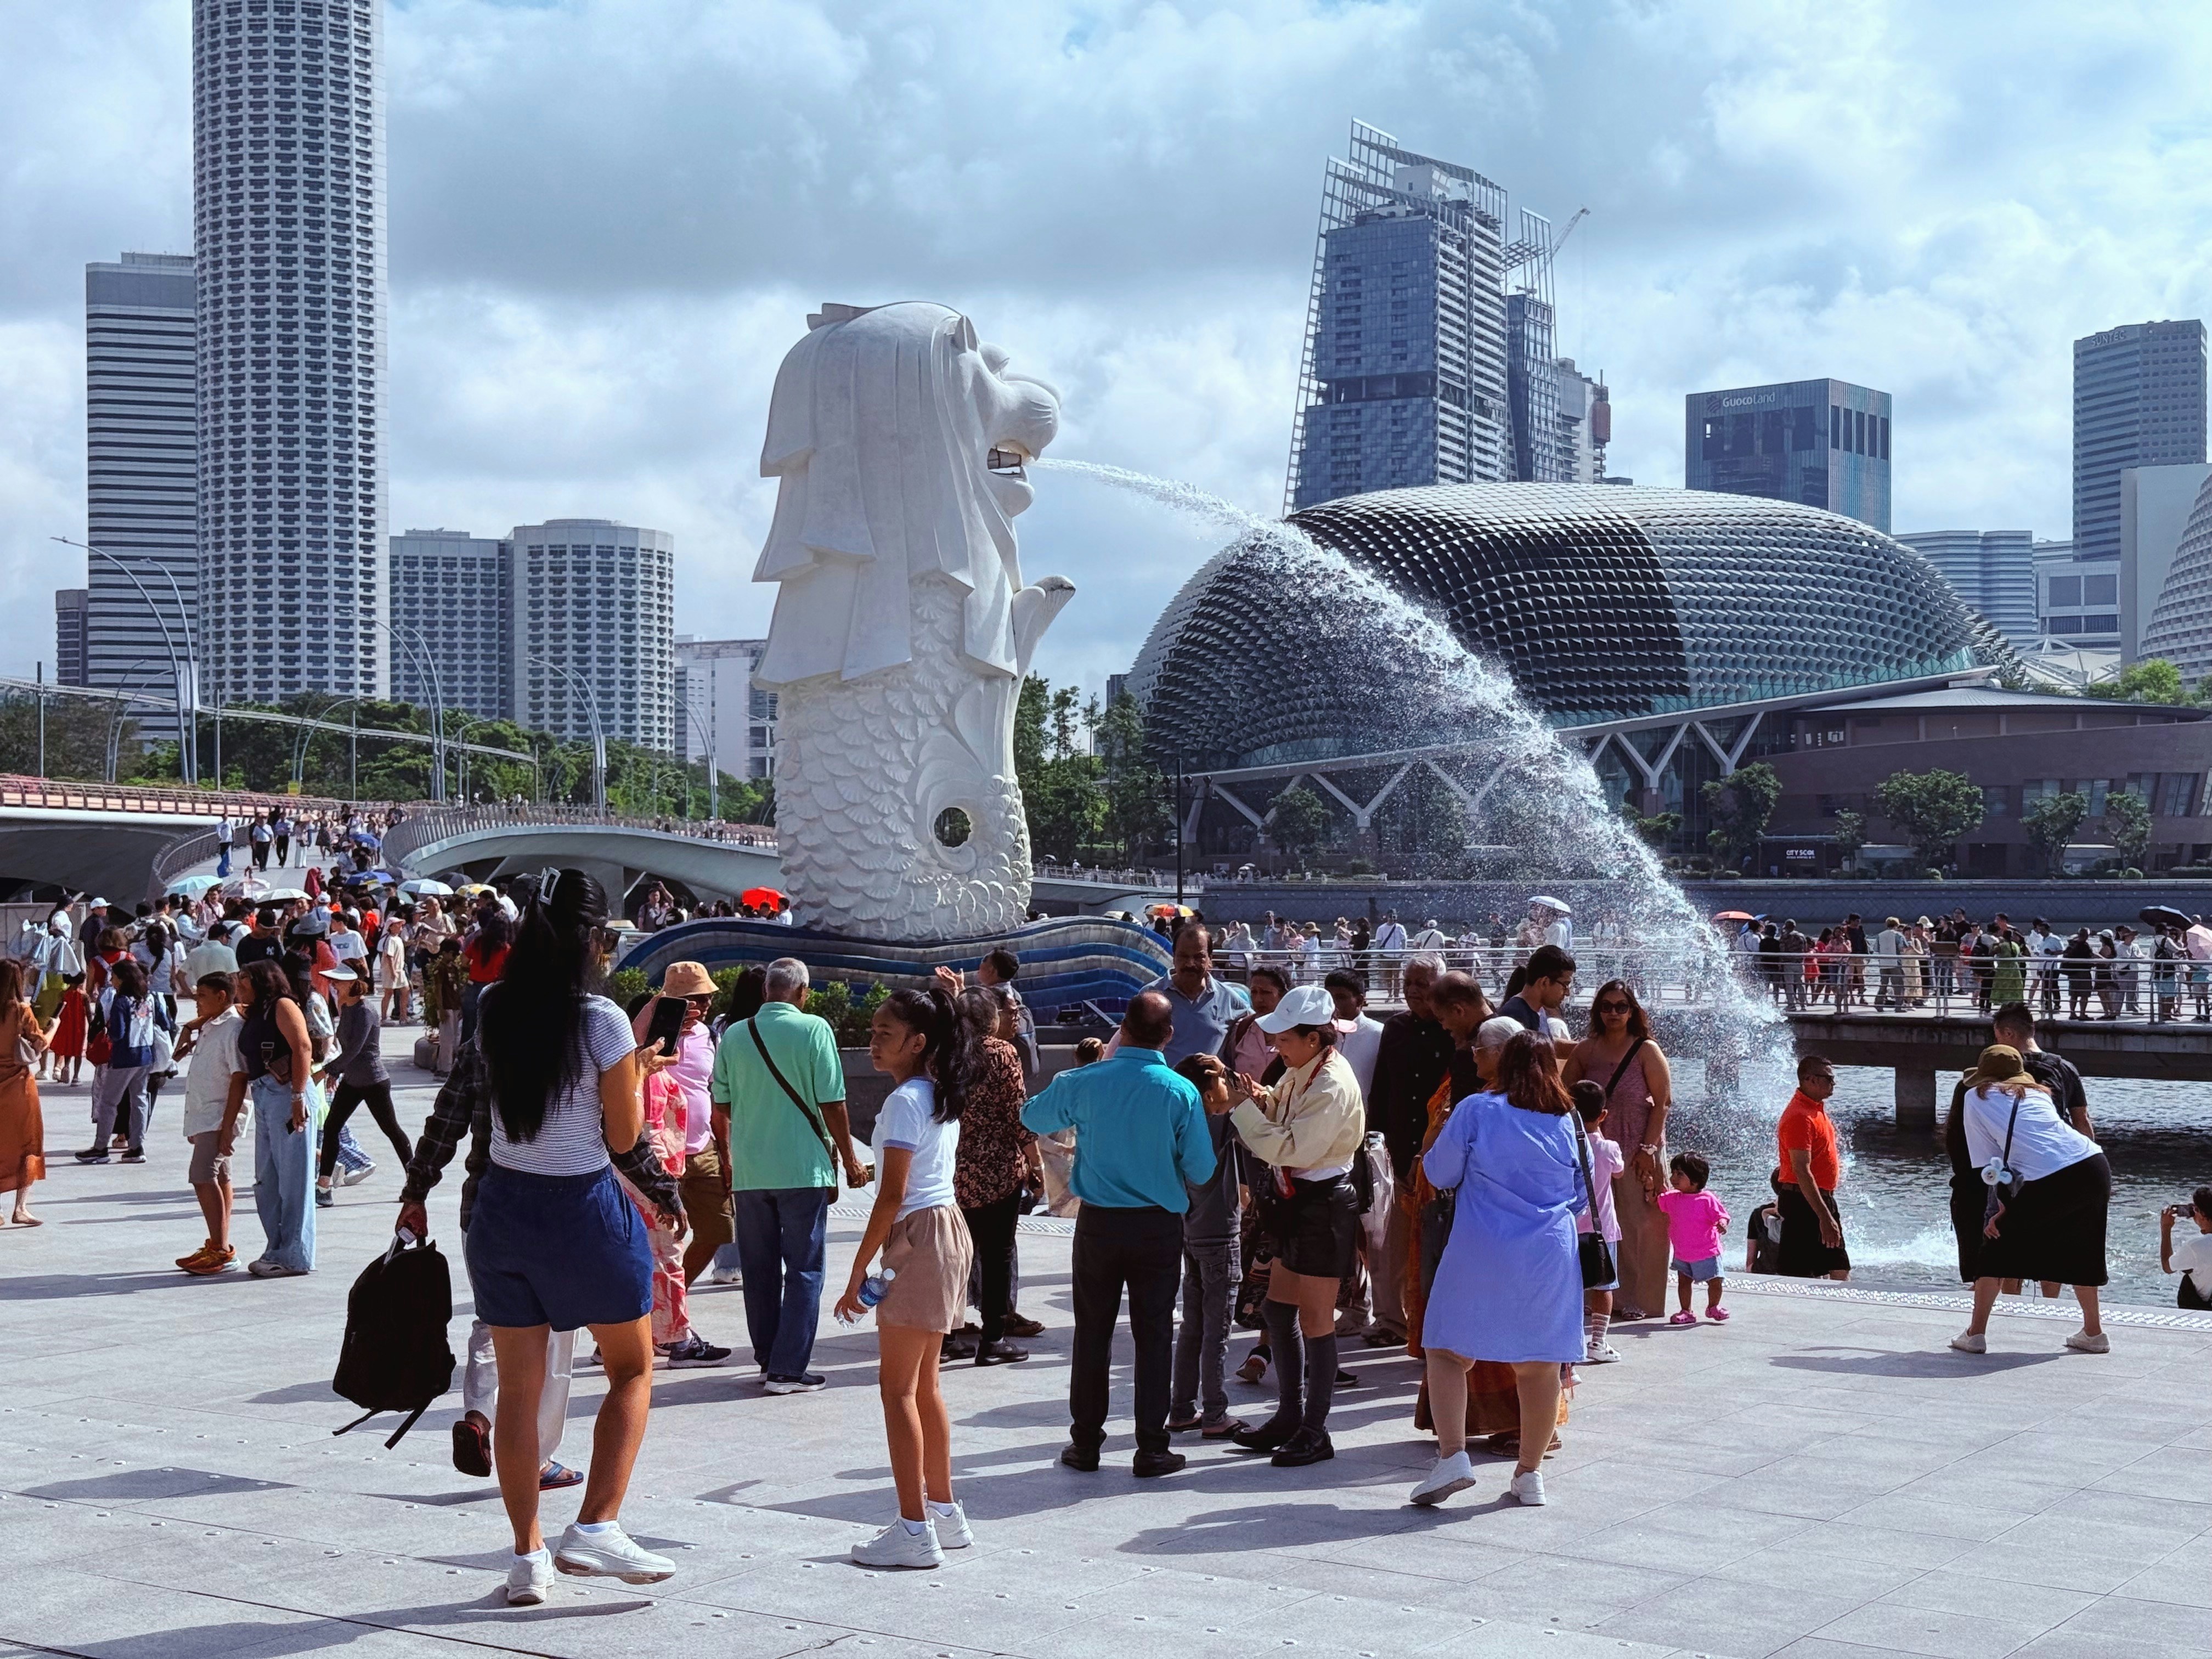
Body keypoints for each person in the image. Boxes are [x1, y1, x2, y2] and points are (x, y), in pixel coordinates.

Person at [430, 867, 676, 1600]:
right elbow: (624, 1134)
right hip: (581, 1210)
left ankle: (526, 1555)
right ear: (595, 939)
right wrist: (633, 1074)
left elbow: (471, 1101)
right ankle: (597, 1526)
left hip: (503, 1210)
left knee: (517, 1390)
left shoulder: (496, 1005)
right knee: (632, 1369)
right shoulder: (601, 1020)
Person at [1022, 990, 1217, 1477]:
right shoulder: (1180, 1091)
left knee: (1093, 1334)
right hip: (1157, 1226)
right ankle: (1152, 1447)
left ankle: (1085, 1443)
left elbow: (1033, 1117)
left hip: (1100, 1225)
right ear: (1168, 1036)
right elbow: (1202, 1167)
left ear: (1121, 1029)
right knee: (1154, 1335)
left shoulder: (1084, 1081)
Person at [1408, 1029, 1585, 1509]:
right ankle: (1530, 1474)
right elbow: (1581, 1192)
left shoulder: (1477, 1109)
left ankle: (1453, 1457)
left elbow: (1439, 1173)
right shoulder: (1567, 1118)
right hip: (1549, 1249)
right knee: (1540, 1364)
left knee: (1446, 1349)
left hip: (1481, 1242)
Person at [834, 986, 979, 1569]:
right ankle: (943, 1512)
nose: (874, 1042)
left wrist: (856, 1271)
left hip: (918, 1234)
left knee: (897, 1390)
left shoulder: (903, 1103)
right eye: (872, 1031)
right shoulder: (936, 1092)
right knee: (925, 1387)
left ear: (917, 1043)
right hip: (945, 1229)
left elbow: (891, 1194)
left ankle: (914, 1529)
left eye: (885, 1034)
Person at [1215, 981, 1365, 1468]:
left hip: (1323, 1204)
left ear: (1314, 1039)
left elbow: (1289, 1147)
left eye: (1284, 1038)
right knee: (1279, 1310)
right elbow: (1283, 1114)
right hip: (1298, 1199)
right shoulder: (1306, 1068)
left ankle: (1315, 1429)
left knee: (1317, 1321)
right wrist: (1261, 1100)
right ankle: (1290, 1416)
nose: (1275, 1045)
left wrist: (1243, 1108)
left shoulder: (1331, 1082)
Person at [712, 956, 869, 1391]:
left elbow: (720, 1104)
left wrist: (729, 1155)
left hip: (751, 1170)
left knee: (759, 1269)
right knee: (803, 1270)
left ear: (766, 992)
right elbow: (833, 1102)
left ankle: (767, 1357)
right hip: (802, 1169)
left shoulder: (735, 1035)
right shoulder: (815, 1029)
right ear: (803, 993)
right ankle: (788, 1368)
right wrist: (851, 1159)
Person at [1948, 1045, 2113, 1356]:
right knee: (2083, 1246)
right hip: (2093, 1164)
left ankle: (1975, 1334)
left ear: (1983, 1076)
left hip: (2054, 1176)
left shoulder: (1975, 1098)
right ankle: (2094, 1332)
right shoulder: (2039, 1093)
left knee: (1993, 1247)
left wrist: (2000, 1210)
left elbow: (1988, 1165)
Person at [1563, 980, 1673, 1321]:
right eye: (1606, 1006)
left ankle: (1640, 1301)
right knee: (1592, 1224)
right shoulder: (1586, 1050)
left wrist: (1648, 1148)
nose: (1613, 1013)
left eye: (1621, 1007)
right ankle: (1597, 1298)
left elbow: (1664, 1102)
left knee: (1640, 1225)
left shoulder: (1646, 1050)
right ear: (1598, 1010)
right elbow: (1562, 1096)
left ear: (1632, 1011)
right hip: (1593, 1152)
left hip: (1639, 1149)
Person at [1362, 955, 1453, 1346]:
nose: (1413, 990)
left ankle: (1434, 1322)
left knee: (1440, 1244)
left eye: (1422, 982)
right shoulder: (1395, 1028)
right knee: (1391, 1244)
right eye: (1408, 982)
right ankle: (1390, 1320)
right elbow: (1381, 1087)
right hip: (1398, 1154)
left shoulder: (1455, 1030)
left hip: (1443, 1158)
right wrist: (1373, 1138)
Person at [951, 987, 1036, 1365]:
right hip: (1000, 1169)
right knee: (998, 1253)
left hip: (955, 1170)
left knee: (956, 1254)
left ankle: (947, 1334)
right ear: (992, 1019)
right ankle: (993, 1338)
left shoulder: (945, 1054)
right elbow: (1018, 1114)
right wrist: (1034, 1162)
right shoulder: (1003, 1053)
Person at [1169, 1051, 1246, 1438]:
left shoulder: (1180, 1122)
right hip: (1219, 1236)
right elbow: (1244, 1100)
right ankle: (1216, 1412)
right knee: (1217, 1331)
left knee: (1194, 1328)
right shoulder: (1215, 1123)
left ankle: (1182, 1407)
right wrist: (1226, 1074)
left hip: (1192, 1233)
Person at [233, 959, 321, 1277]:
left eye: (245, 980)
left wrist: (298, 1097)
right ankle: (277, 1248)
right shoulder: (254, 1011)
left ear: (262, 981)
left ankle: (295, 1256)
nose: (239, 985)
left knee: (294, 1179)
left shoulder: (282, 1005)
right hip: (264, 1096)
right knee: (267, 1180)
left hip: (287, 1096)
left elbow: (303, 1047)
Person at [314, 966, 412, 1207]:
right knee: (332, 1126)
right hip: (352, 1081)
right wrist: (337, 1073)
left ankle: (415, 1180)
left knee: (391, 1129)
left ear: (350, 984)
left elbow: (356, 1049)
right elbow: (346, 1049)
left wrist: (327, 1071)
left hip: (374, 1081)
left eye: (338, 983)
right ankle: (324, 1186)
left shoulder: (365, 1011)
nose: (334, 987)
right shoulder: (346, 1008)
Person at [172, 972, 245, 1271]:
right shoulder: (210, 1026)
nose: (196, 1001)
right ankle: (220, 1243)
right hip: (207, 1113)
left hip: (220, 1114)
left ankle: (221, 1249)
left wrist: (227, 1124)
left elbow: (240, 1076)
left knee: (202, 1174)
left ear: (222, 996)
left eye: (202, 995)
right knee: (222, 1176)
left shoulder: (232, 1029)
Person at [77, 958, 172, 1165]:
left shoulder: (121, 1002)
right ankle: (136, 1146)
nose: (112, 980)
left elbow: (118, 1033)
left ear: (122, 979)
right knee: (139, 1100)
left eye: (114, 976)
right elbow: (166, 1023)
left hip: (123, 1058)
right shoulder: (148, 999)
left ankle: (101, 1147)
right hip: (145, 1056)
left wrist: (108, 1032)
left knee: (109, 1102)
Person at [1773, 1055, 1849, 1280]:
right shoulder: (1800, 1116)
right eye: (1828, 1079)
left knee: (1839, 1267)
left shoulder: (1816, 1109)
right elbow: (1801, 1170)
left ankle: (1836, 1311)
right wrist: (1825, 1218)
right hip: (1801, 1201)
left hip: (1821, 1198)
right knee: (1799, 1275)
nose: (1833, 1084)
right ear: (1809, 1080)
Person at [1570, 1080, 1623, 1361]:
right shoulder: (1608, 1148)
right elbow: (1619, 1173)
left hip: (1569, 1228)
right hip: (1602, 1228)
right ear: (1603, 1114)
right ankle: (1598, 1343)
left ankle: (1570, 1345)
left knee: (1571, 1289)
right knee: (1604, 1287)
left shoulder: (1564, 1145)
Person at [0, 958, 48, 1226]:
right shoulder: (21, 1011)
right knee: (27, 1143)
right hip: (19, 1087)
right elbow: (39, 1043)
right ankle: (21, 1208)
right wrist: (52, 1028)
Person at [1657, 1153, 1730, 1323]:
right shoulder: (1673, 1198)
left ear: (1696, 1180)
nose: (1673, 1177)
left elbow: (1722, 1215)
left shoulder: (1707, 1199)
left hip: (1708, 1251)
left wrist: (1722, 1223)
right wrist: (1650, 1186)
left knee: (1715, 1281)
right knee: (1684, 1282)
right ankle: (1686, 1311)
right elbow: (1658, 1200)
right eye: (1673, 1172)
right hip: (1683, 1252)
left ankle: (1713, 1307)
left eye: (1680, 1174)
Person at [1498, 944, 1575, 1040]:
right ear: (1544, 982)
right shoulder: (1514, 1018)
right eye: (1565, 985)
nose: (1568, 993)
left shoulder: (1538, 1011)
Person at [2159, 1188, 2212, 1310]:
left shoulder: (2195, 1247)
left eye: (2195, 1209)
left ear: (2203, 1215)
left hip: (2200, 1308)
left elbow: (2168, 1267)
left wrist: (2166, 1229)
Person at [1372, 912, 1409, 1001]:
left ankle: (1396, 996)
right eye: (1390, 916)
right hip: (1386, 956)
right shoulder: (1381, 928)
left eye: (1393, 917)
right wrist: (1379, 953)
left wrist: (1403, 952)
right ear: (1387, 917)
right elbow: (1378, 942)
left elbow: (1404, 940)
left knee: (1397, 977)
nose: (1392, 918)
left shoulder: (1400, 927)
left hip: (1397, 956)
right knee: (1388, 977)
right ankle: (1390, 994)